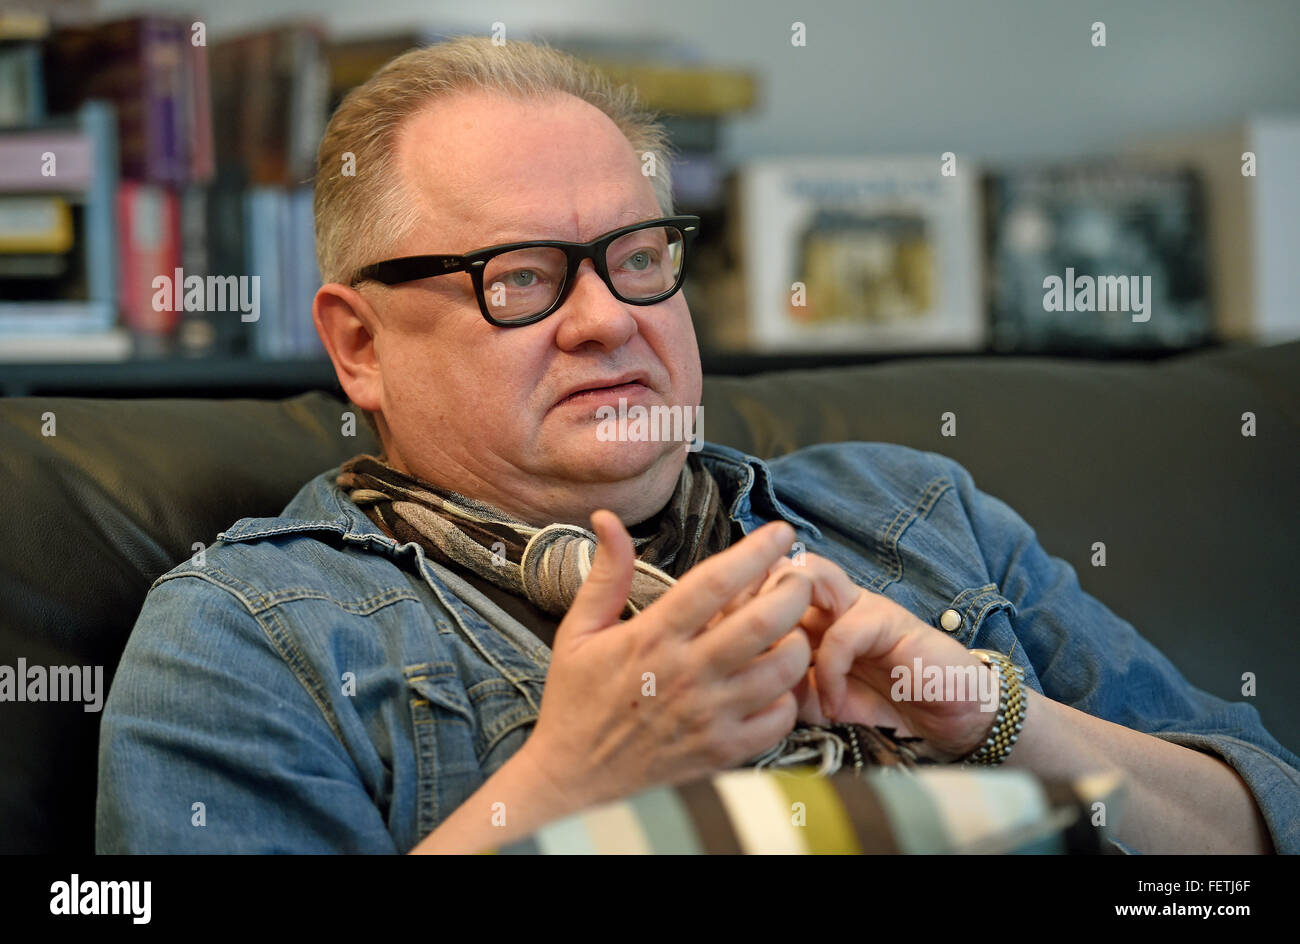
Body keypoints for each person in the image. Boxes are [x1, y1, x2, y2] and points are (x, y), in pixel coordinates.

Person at [96, 37, 1299, 855]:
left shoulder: (920, 513)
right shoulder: (245, 638)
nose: (608, 317)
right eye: (520, 277)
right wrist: (566, 784)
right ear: (358, 346)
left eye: (634, 258)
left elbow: (1265, 819)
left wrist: (990, 712)